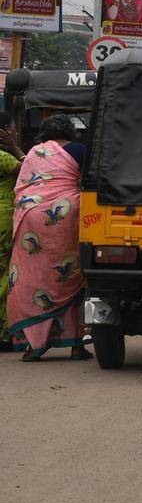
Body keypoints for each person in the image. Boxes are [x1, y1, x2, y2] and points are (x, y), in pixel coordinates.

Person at [5, 114, 89, 362]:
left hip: (30, 215)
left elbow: (26, 179)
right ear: (70, 132)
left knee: (33, 279)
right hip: (66, 215)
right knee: (72, 276)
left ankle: (33, 347)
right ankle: (76, 346)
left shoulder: (34, 153)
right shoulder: (79, 150)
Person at [0, 112, 25, 351]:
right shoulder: (4, 158)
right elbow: (30, 172)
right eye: (13, 128)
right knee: (6, 277)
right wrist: (16, 147)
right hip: (4, 222)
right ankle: (6, 335)